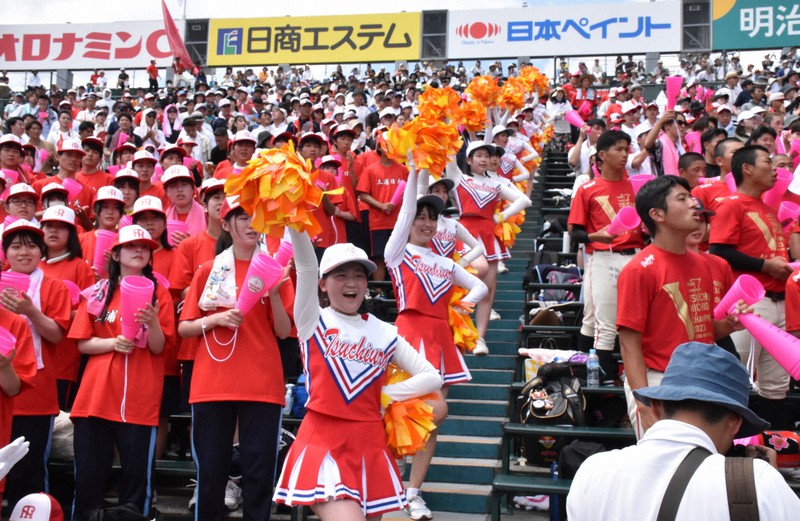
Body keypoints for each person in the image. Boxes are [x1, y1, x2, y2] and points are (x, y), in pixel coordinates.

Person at [273, 221, 441, 521]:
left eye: (359, 275)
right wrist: (295, 217)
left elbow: (431, 376)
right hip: (322, 442)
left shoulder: (385, 332)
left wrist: (386, 395)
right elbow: (307, 267)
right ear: (323, 284)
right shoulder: (313, 320)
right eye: (341, 275)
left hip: (370, 445)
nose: (351, 283)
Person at [567, 342, 800, 520]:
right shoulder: (757, 482)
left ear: (656, 407)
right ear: (735, 423)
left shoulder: (591, 471)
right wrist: (766, 479)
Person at [178, 196, 294, 521]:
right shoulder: (208, 270)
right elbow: (184, 328)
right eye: (241, 218)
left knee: (259, 474)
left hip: (261, 382)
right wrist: (215, 319)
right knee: (211, 474)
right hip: (212, 382)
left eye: (255, 218)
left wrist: (273, 294)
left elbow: (284, 332)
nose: (250, 224)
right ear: (226, 225)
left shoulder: (273, 268)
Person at [384, 161, 487, 520]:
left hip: (440, 337)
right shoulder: (396, 254)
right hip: (405, 338)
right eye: (420, 217)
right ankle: (391, 485)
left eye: (432, 218)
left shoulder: (444, 262)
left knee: (430, 418)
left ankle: (413, 493)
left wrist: (462, 305)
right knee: (392, 412)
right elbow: (405, 213)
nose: (427, 223)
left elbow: (480, 284)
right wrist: (415, 170)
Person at [617, 176, 745, 437]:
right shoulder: (638, 269)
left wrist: (729, 325)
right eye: (682, 199)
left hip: (704, 379)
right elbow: (629, 342)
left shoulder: (703, 264)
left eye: (691, 198)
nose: (694, 204)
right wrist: (643, 401)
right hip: (659, 381)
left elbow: (701, 328)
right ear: (657, 215)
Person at [68, 225, 175, 520]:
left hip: (139, 400)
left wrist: (152, 323)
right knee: (88, 480)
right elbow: (82, 343)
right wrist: (112, 343)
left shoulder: (159, 292)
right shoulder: (99, 292)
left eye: (145, 247)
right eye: (131, 246)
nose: (140, 250)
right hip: (95, 398)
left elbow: (159, 347)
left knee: (136, 484)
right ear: (116, 254)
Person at [709, 145, 794, 429]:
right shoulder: (732, 203)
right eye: (767, 162)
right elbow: (718, 250)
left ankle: (779, 451)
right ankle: (728, 448)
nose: (775, 169)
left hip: (781, 300)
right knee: (732, 375)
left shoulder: (768, 209)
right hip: (749, 303)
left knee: (777, 384)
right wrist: (764, 266)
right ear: (746, 169)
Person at [2, 220, 71, 509]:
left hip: (37, 392)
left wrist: (29, 310)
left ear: (42, 251)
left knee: (28, 474)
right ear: (5, 253)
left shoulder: (55, 287)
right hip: (2, 393)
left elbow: (57, 334)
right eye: (16, 246)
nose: (24, 252)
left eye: (31, 246)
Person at [568, 130, 644, 381]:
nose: (624, 154)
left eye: (626, 149)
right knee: (604, 325)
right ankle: (602, 382)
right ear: (601, 155)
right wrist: (594, 237)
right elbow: (575, 232)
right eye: (619, 149)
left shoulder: (636, 186)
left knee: (628, 321)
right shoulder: (587, 188)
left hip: (636, 255)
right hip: (603, 256)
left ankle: (608, 379)